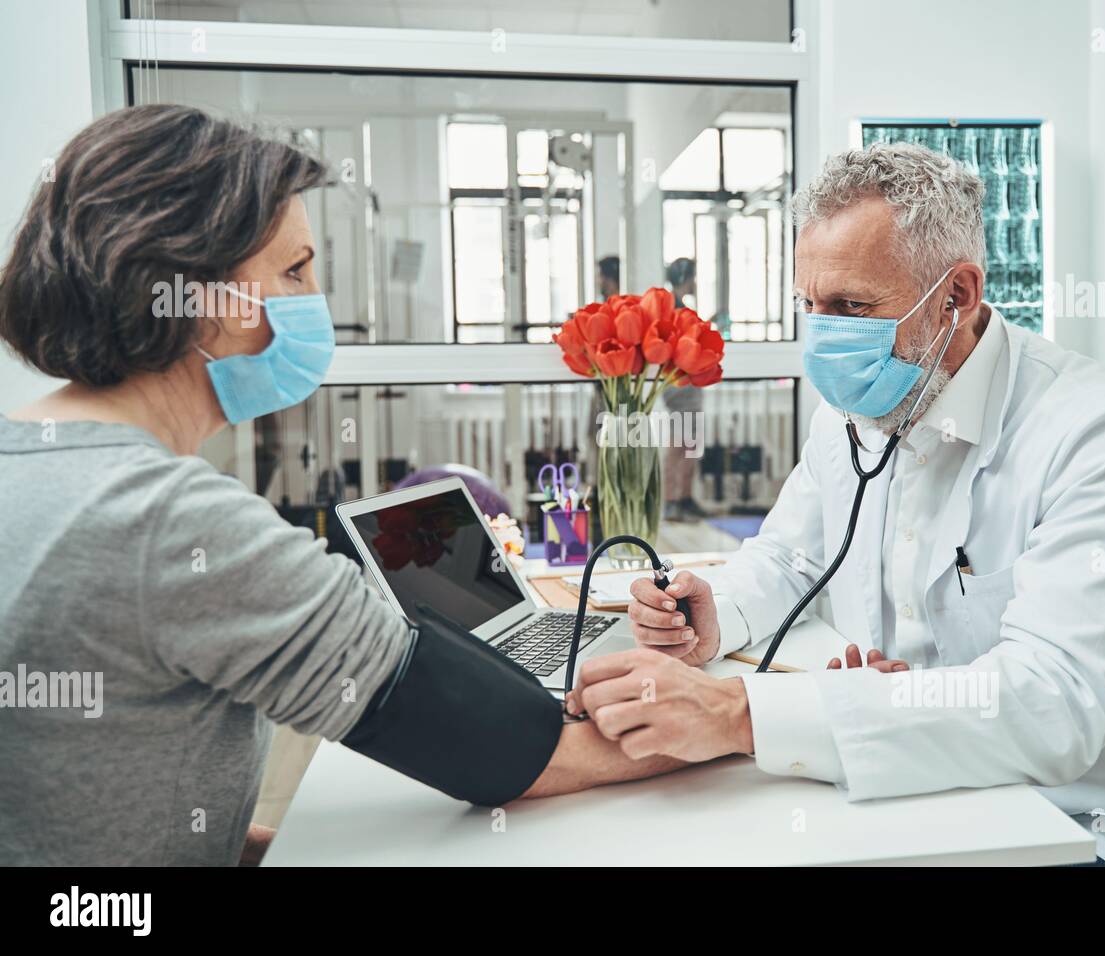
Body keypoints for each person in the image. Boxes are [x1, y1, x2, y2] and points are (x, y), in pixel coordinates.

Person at [0, 105, 675, 866]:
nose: (315, 297)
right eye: (294, 269)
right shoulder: (165, 519)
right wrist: (730, 722)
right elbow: (513, 750)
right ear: (189, 293)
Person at [570, 143, 1105, 866]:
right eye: (810, 305)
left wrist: (742, 713)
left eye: (851, 307)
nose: (825, 335)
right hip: (920, 799)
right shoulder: (855, 408)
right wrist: (716, 611)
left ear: (956, 294)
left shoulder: (1097, 429)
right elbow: (791, 558)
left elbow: (1055, 704)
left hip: (1091, 830)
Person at [662, 258, 706, 520]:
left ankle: (683, 498)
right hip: (680, 384)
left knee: (689, 443)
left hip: (684, 382)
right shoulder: (675, 309)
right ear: (685, 278)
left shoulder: (678, 308)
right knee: (681, 444)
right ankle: (673, 502)